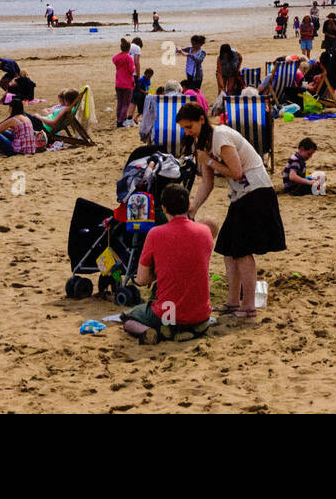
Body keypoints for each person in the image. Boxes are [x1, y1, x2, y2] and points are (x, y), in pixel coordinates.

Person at [184, 103, 286, 319]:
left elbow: (237, 172)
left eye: (189, 126)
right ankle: (232, 301)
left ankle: (248, 306)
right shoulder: (201, 143)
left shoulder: (220, 136)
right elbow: (207, 183)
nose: (187, 131)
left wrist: (210, 160)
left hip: (256, 192)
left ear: (202, 120)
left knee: (242, 251)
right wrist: (193, 209)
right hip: (241, 195)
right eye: (184, 128)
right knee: (228, 249)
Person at [121, 185, 217, 344]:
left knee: (129, 318)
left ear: (163, 208)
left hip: (169, 312)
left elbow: (141, 279)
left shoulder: (155, 234)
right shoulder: (205, 232)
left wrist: (156, 273)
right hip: (200, 313)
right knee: (189, 314)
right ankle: (191, 329)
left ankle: (156, 332)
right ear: (188, 206)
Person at [113, 38, 137, 129]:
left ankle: (118, 119)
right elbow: (131, 69)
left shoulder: (117, 57)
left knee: (120, 102)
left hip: (118, 82)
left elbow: (114, 60)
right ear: (129, 48)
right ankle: (121, 121)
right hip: (127, 83)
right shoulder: (128, 57)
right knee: (125, 104)